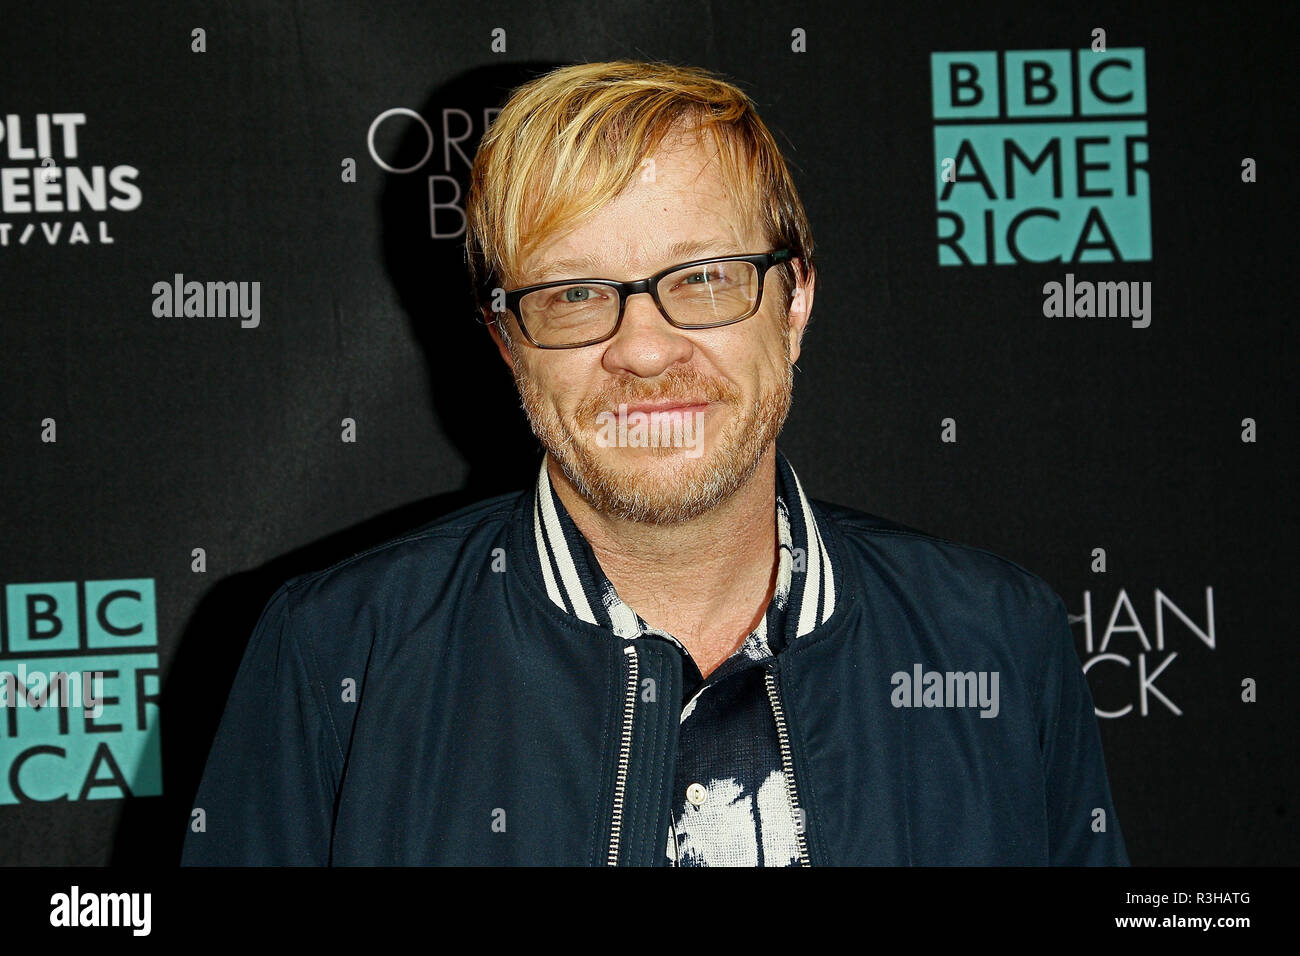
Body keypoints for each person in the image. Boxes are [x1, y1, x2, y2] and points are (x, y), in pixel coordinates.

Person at [181, 59, 1128, 866]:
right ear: (508, 342)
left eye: (704, 278)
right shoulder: (338, 652)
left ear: (793, 301)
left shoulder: (999, 638)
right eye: (574, 294)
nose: (642, 349)